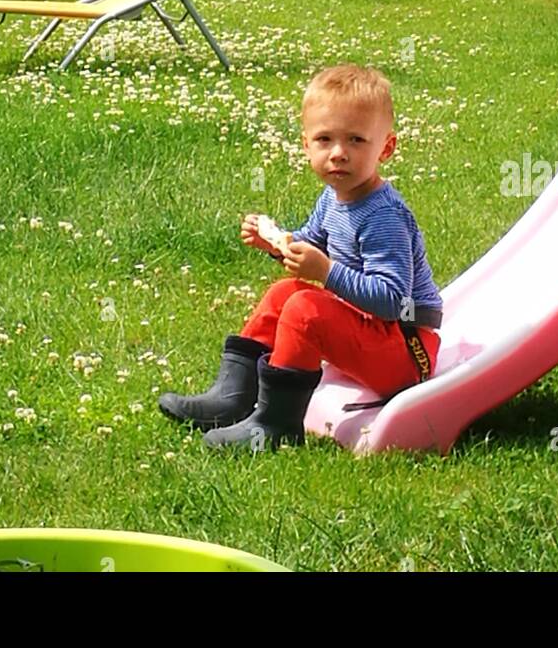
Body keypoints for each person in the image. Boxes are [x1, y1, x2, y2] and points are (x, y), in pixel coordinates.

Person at [158, 64, 442, 450]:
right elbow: (311, 243)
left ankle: (276, 423)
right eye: (325, 139)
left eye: (357, 140)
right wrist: (276, 245)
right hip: (370, 330)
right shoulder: (334, 197)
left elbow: (393, 301)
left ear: (386, 148)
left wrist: (325, 272)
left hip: (407, 350)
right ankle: (234, 397)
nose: (338, 154)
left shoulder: (382, 216)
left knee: (306, 308)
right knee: (284, 293)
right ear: (306, 144)